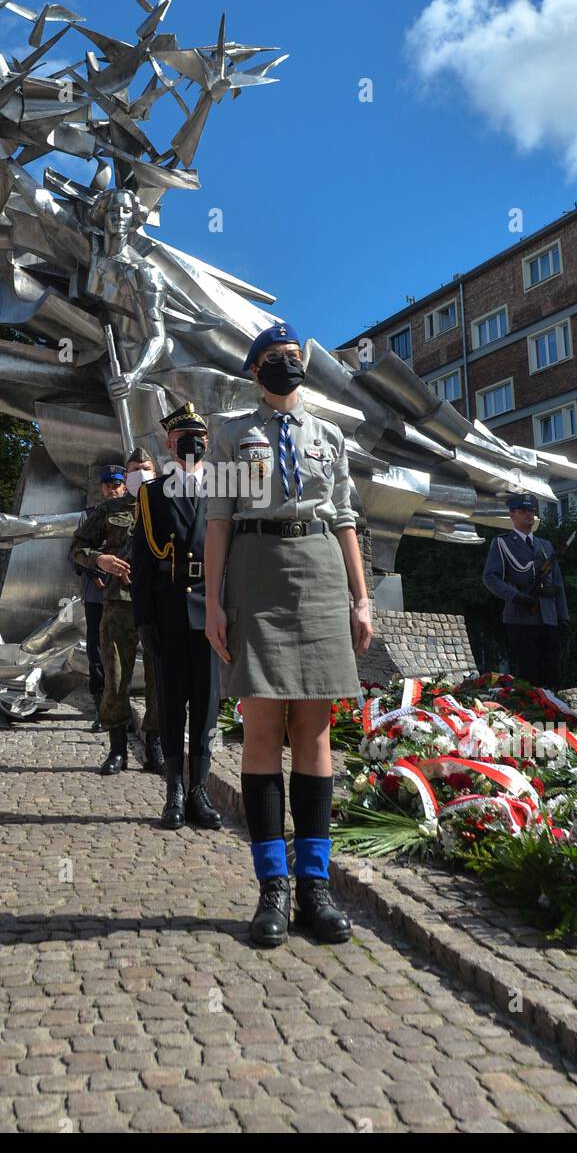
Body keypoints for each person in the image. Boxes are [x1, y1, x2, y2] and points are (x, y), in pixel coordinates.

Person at [203, 320, 373, 948]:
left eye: (293, 356)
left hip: (321, 571)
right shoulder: (229, 435)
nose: (285, 364)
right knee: (263, 727)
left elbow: (347, 518)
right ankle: (271, 889)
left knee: (314, 727)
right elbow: (218, 522)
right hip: (255, 574)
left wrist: (362, 599)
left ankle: (315, 889)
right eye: (273, 357)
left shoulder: (329, 436)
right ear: (255, 370)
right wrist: (214, 603)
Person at [131, 402, 223, 831]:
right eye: (185, 437)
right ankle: (174, 794)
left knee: (206, 705)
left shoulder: (224, 489)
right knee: (171, 704)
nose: (194, 443)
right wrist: (143, 618)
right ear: (169, 443)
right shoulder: (150, 494)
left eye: (200, 437)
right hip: (168, 609)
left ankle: (200, 792)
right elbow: (142, 560)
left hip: (211, 610)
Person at [70, 448, 163, 774]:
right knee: (115, 677)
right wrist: (101, 560)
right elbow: (77, 547)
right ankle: (118, 749)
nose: (140, 472)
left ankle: (155, 748)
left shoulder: (169, 504)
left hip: (159, 603)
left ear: (156, 470)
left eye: (146, 467)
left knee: (159, 679)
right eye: (134, 468)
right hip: (118, 602)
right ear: (126, 475)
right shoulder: (110, 509)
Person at [482, 492, 569, 687]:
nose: (529, 514)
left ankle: (553, 717)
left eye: (531, 510)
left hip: (549, 617)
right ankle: (533, 717)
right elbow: (490, 577)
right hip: (521, 618)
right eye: (523, 510)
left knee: (552, 676)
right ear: (512, 514)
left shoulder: (544, 545)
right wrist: (516, 597)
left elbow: (557, 584)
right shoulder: (503, 543)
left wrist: (563, 617)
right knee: (528, 678)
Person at [75, 465, 127, 731]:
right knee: (97, 650)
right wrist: (94, 571)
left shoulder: (138, 512)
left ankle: (124, 706)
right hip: (97, 593)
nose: (112, 489)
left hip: (128, 592)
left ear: (124, 485)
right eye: (107, 485)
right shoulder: (90, 516)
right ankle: (101, 709)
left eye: (116, 484)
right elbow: (76, 552)